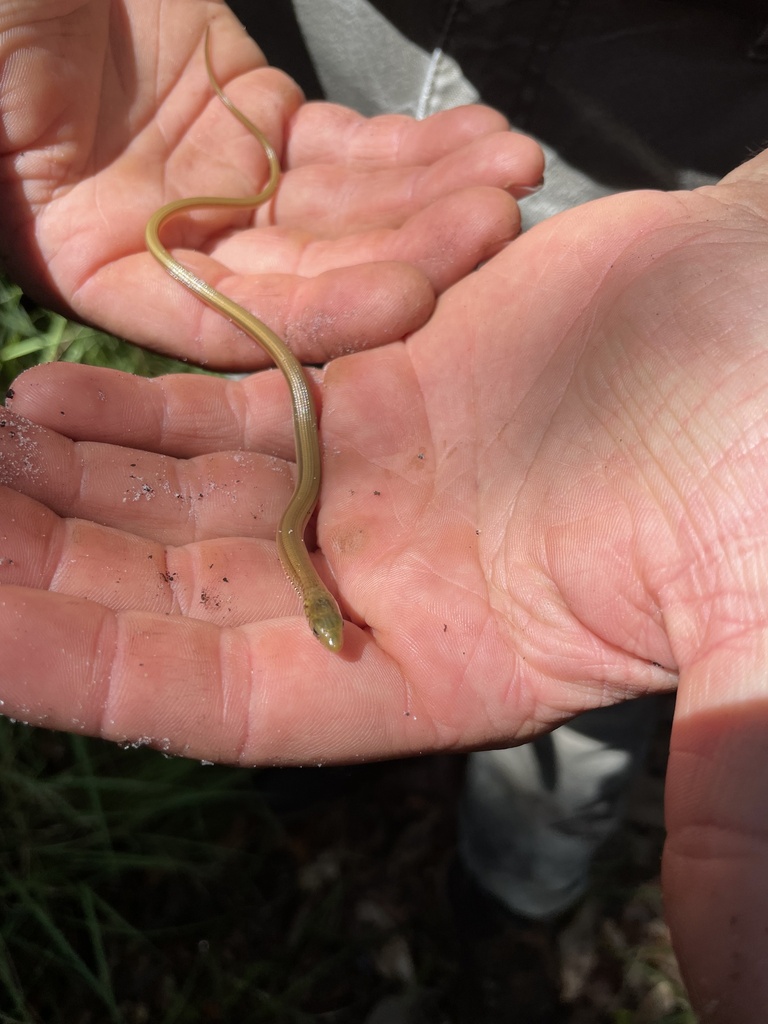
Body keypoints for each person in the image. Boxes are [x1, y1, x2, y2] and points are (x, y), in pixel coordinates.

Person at [2, 1, 768, 1021]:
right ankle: (333, 781)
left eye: (327, 621)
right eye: (329, 620)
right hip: (324, 70)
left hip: (679, 107)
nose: (333, 624)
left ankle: (514, 896)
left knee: (601, 625)